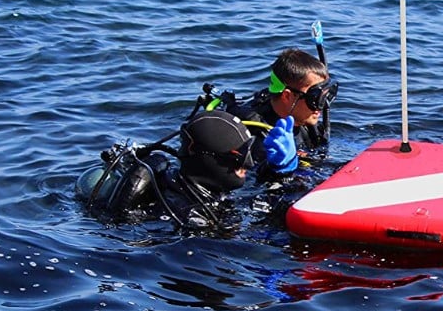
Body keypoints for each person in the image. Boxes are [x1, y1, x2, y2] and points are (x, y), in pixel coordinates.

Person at [76, 109, 256, 233]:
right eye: (239, 157)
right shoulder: (183, 216)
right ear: (207, 158)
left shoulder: (190, 185)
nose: (249, 164)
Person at [225, 47, 338, 176]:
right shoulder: (257, 138)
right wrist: (280, 169)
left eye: (326, 96)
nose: (322, 106)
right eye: (315, 98)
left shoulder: (304, 118)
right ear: (287, 96)